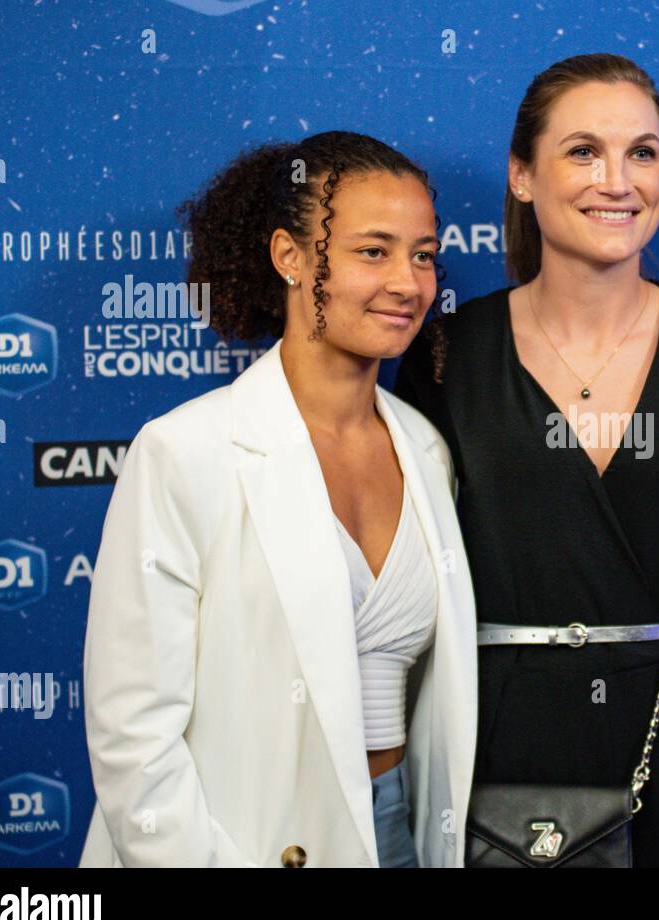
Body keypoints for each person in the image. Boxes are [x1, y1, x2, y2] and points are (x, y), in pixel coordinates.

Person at [396, 53, 659, 868]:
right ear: (521, 176)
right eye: (583, 151)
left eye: (642, 152)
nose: (617, 180)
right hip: (499, 750)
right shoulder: (447, 354)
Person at [79, 131, 477, 868]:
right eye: (372, 251)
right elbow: (133, 734)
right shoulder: (185, 451)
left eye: (423, 254)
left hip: (397, 830)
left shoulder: (426, 450)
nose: (407, 282)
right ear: (289, 256)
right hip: (241, 842)